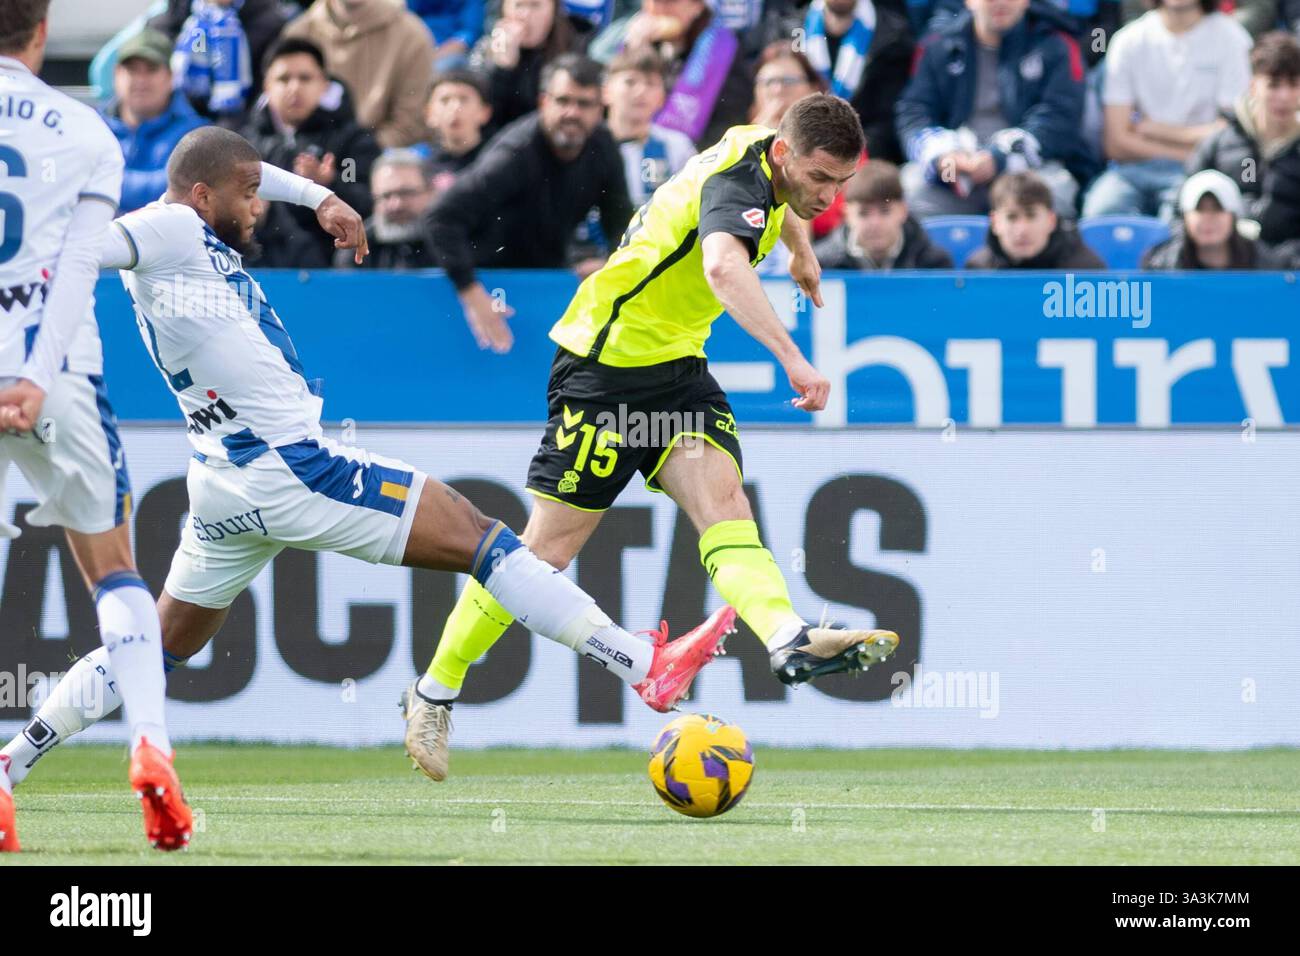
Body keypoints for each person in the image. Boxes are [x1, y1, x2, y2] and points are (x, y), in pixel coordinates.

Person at [0, 127, 735, 794]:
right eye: (249, 195)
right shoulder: (166, 228)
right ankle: (642, 667)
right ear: (202, 196)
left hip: (222, 482)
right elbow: (90, 247)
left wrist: (319, 195)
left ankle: (11, 761)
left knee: (156, 646)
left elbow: (237, 174)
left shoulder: (195, 226)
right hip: (293, 469)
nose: (260, 206)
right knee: (486, 539)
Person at [403, 94, 901, 781]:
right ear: (786, 155)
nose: (829, 195)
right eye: (822, 180)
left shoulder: (770, 148)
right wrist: (793, 358)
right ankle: (434, 692)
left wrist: (802, 251)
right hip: (603, 371)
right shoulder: (738, 183)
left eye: (842, 184)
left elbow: (781, 201)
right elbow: (724, 267)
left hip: (675, 374)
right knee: (540, 553)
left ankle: (790, 639)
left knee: (726, 506)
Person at [0, 0, 191, 853]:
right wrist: (35, 376)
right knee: (115, 575)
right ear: (42, 31)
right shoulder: (87, 131)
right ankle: (151, 745)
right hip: (57, 376)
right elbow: (81, 261)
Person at [427, 55, 633, 352]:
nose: (572, 113)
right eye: (563, 101)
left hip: (544, 279)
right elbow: (440, 217)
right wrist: (472, 294)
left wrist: (610, 266)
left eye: (584, 104)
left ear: (600, 110)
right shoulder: (516, 152)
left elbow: (622, 225)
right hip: (483, 281)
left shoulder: (603, 146)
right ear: (543, 102)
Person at [895, 0, 1095, 219]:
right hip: (957, 173)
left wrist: (999, 158)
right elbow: (914, 111)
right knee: (910, 191)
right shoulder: (939, 45)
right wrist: (943, 156)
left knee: (1056, 192)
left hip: (1026, 170)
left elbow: (1060, 117)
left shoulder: (1056, 43)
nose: (1000, 3)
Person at [1081, 0, 1252, 219]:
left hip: (1201, 172)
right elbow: (1116, 143)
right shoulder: (1128, 40)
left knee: (1182, 224)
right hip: (1131, 170)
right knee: (1099, 213)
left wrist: (1155, 130)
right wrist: (1191, 149)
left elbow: (1229, 133)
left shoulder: (1232, 38)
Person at [243, 37, 381, 267]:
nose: (294, 87)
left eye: (305, 78)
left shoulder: (352, 140)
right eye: (283, 79)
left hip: (330, 270)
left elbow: (369, 205)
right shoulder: (244, 143)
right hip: (256, 267)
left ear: (324, 84)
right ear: (266, 85)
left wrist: (330, 184)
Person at [1185, 31, 1300, 266]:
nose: (1284, 96)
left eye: (1294, 85)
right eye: (1274, 85)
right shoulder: (1218, 144)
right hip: (1226, 270)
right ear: (1253, 86)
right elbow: (1181, 207)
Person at [588, 0, 754, 148]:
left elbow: (730, 116)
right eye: (652, 2)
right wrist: (634, 49)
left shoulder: (721, 49)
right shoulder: (633, 41)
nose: (658, 9)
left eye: (669, 2)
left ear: (696, 7)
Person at [283, 0, 437, 148]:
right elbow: (282, 117)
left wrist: (357, 155)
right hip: (306, 156)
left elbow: (410, 126)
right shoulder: (298, 33)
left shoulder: (412, 36)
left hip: (380, 160)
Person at [101, 28, 208, 213]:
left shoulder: (197, 134)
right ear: (116, 74)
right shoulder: (92, 126)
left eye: (151, 70)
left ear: (170, 76)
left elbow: (178, 191)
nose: (141, 80)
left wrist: (101, 182)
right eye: (132, 70)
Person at [800, 0, 914, 164]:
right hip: (800, 151)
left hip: (862, 161)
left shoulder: (893, 37)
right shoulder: (788, 29)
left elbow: (887, 122)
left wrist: (839, 159)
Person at [814, 160, 955, 269]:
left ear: (903, 211)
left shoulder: (934, 264)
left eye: (885, 211)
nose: (875, 223)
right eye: (863, 213)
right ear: (847, 214)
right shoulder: (820, 266)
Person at [603, 46, 696, 206]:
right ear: (606, 92)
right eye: (630, 82)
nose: (641, 91)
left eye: (651, 83)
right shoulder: (588, 144)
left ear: (662, 98)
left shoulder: (678, 146)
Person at [1141, 169, 1288, 269]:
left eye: (1218, 209)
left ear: (1234, 216)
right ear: (1184, 217)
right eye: (1199, 209)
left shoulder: (1266, 264)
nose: (1208, 218)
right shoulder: (1161, 265)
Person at [469, 0, 579, 131]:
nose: (526, 14)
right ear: (504, 10)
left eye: (535, 5)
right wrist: (502, 68)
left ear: (553, 10)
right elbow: (483, 117)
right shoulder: (487, 48)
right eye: (519, 5)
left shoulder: (576, 43)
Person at [966, 170, 1106, 268]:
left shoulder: (1085, 272)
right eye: (1011, 217)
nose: (1022, 230)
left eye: (1031, 216)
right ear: (995, 222)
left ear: (1051, 221)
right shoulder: (978, 269)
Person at [336, 148, 439, 268]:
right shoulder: (356, 251)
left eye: (406, 193)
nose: (396, 205)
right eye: (386, 196)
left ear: (431, 192)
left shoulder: (456, 239)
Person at [424, 68, 494, 194]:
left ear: (484, 112)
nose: (455, 108)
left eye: (464, 99)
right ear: (429, 113)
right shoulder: (422, 169)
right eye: (445, 100)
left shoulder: (497, 161)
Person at [406, 0, 486, 70]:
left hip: (451, 54)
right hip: (418, 49)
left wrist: (435, 57)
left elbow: (469, 32)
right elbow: (407, 19)